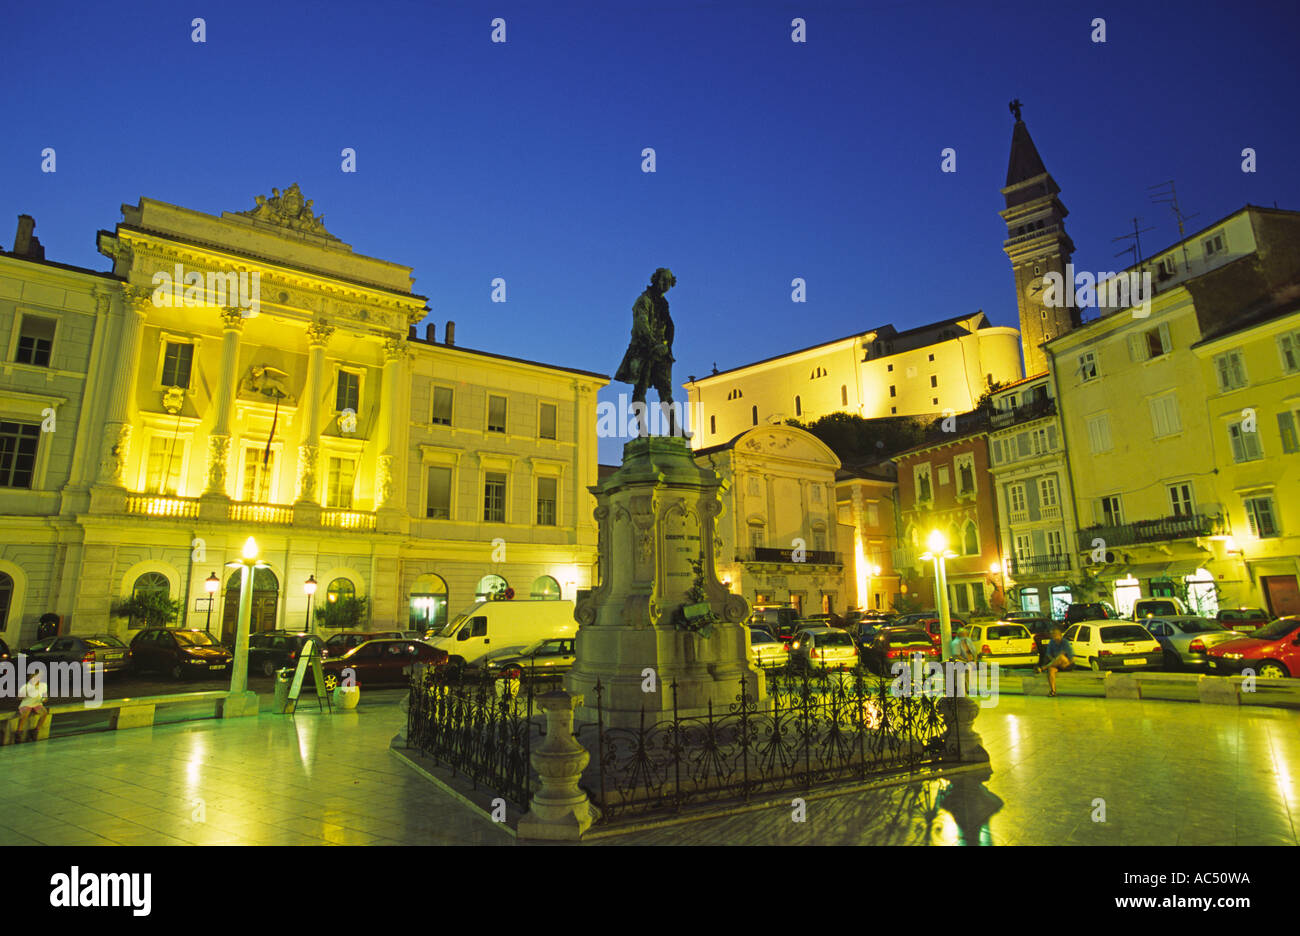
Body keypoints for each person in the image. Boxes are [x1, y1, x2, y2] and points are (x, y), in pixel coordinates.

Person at [1035, 625, 1074, 696]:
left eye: (1056, 635)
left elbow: (1071, 658)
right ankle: (1053, 691)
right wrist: (1054, 661)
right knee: (1051, 670)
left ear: (1060, 635)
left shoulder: (1065, 642)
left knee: (1061, 657)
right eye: (1053, 636)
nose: (1054, 637)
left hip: (1066, 664)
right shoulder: (1051, 642)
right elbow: (1049, 654)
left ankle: (1042, 668)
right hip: (1056, 664)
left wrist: (1060, 660)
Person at [16, 670, 50, 742]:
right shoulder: (26, 686)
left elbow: (45, 696)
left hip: (37, 704)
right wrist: (22, 696)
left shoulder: (43, 685)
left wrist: (45, 699)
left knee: (44, 713)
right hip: (26, 703)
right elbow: (18, 697)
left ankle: (35, 731)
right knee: (26, 713)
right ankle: (19, 732)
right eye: (34, 677)